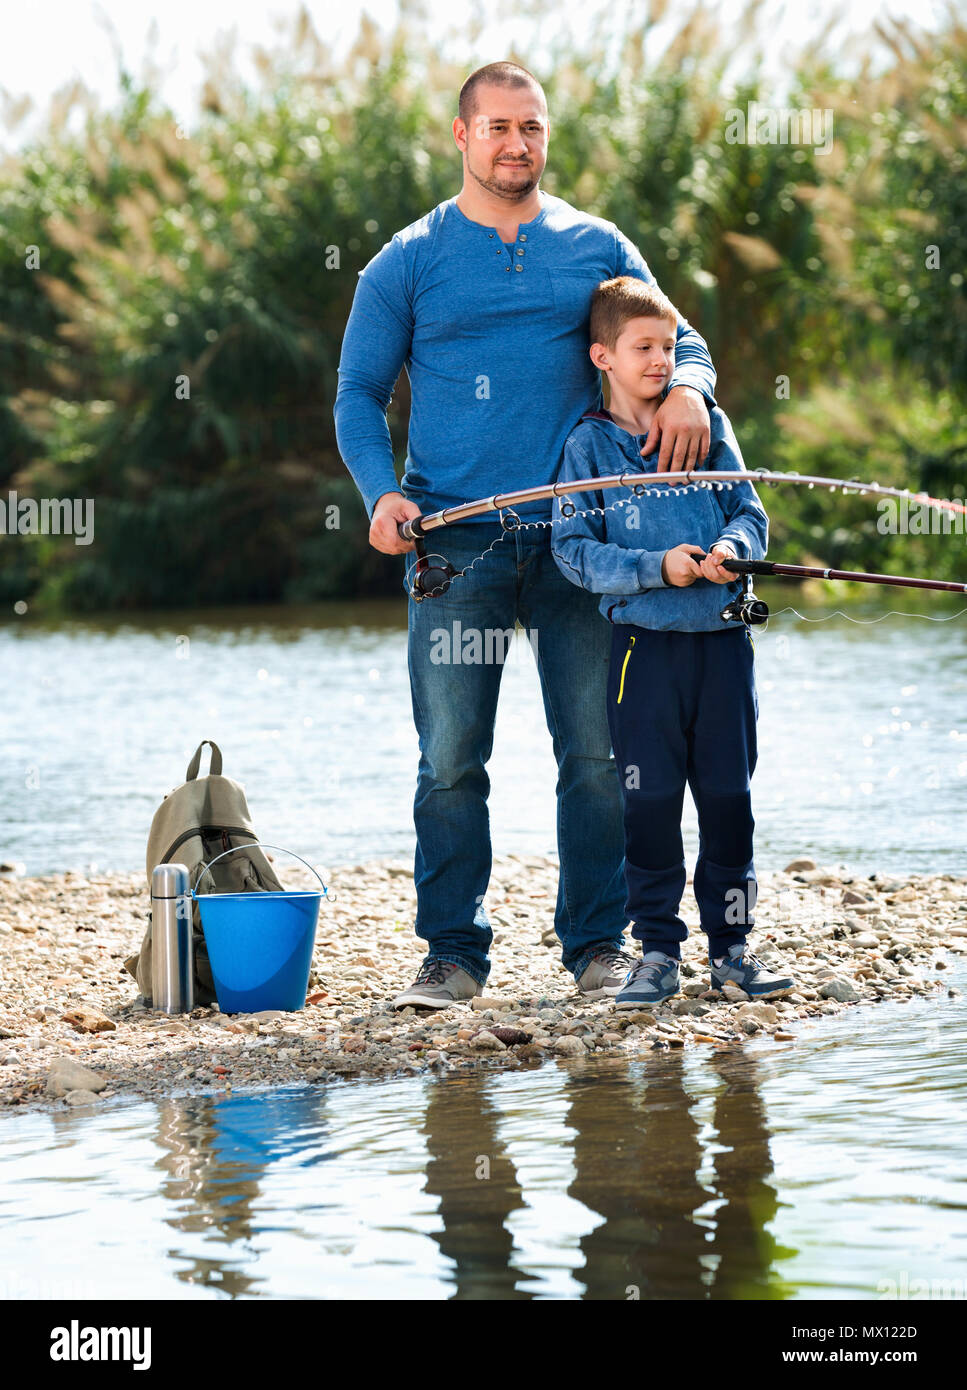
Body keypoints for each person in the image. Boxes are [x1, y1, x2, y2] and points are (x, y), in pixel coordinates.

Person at [335, 61, 718, 1009]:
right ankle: (453, 954)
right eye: (499, 127)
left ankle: (595, 944)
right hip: (452, 548)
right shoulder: (408, 259)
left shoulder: (595, 244)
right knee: (452, 760)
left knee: (593, 754)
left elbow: (683, 338)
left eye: (532, 128)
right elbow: (358, 396)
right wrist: (382, 494)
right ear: (461, 136)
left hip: (580, 545)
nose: (517, 145)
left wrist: (685, 389)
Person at [551, 276, 796, 1004]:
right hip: (641, 657)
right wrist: (655, 567)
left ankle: (732, 951)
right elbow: (572, 551)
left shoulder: (709, 429)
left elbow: (748, 513)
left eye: (667, 347)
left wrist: (728, 547)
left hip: (722, 649)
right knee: (648, 801)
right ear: (603, 355)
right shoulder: (586, 448)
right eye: (644, 348)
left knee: (728, 797)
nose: (661, 360)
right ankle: (656, 951)